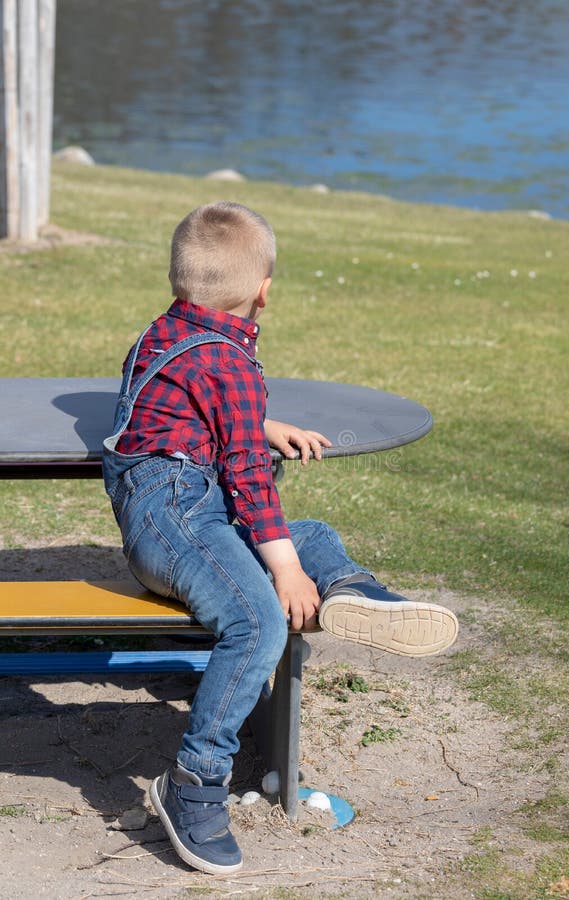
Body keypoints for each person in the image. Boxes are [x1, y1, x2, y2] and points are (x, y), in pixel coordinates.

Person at [102, 201, 458, 875]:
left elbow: (177, 401)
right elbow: (247, 484)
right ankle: (193, 783)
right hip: (175, 525)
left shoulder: (162, 330)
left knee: (314, 532)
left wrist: (257, 426)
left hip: (167, 514)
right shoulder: (231, 365)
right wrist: (287, 572)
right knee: (260, 622)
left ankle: (360, 596)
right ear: (264, 288)